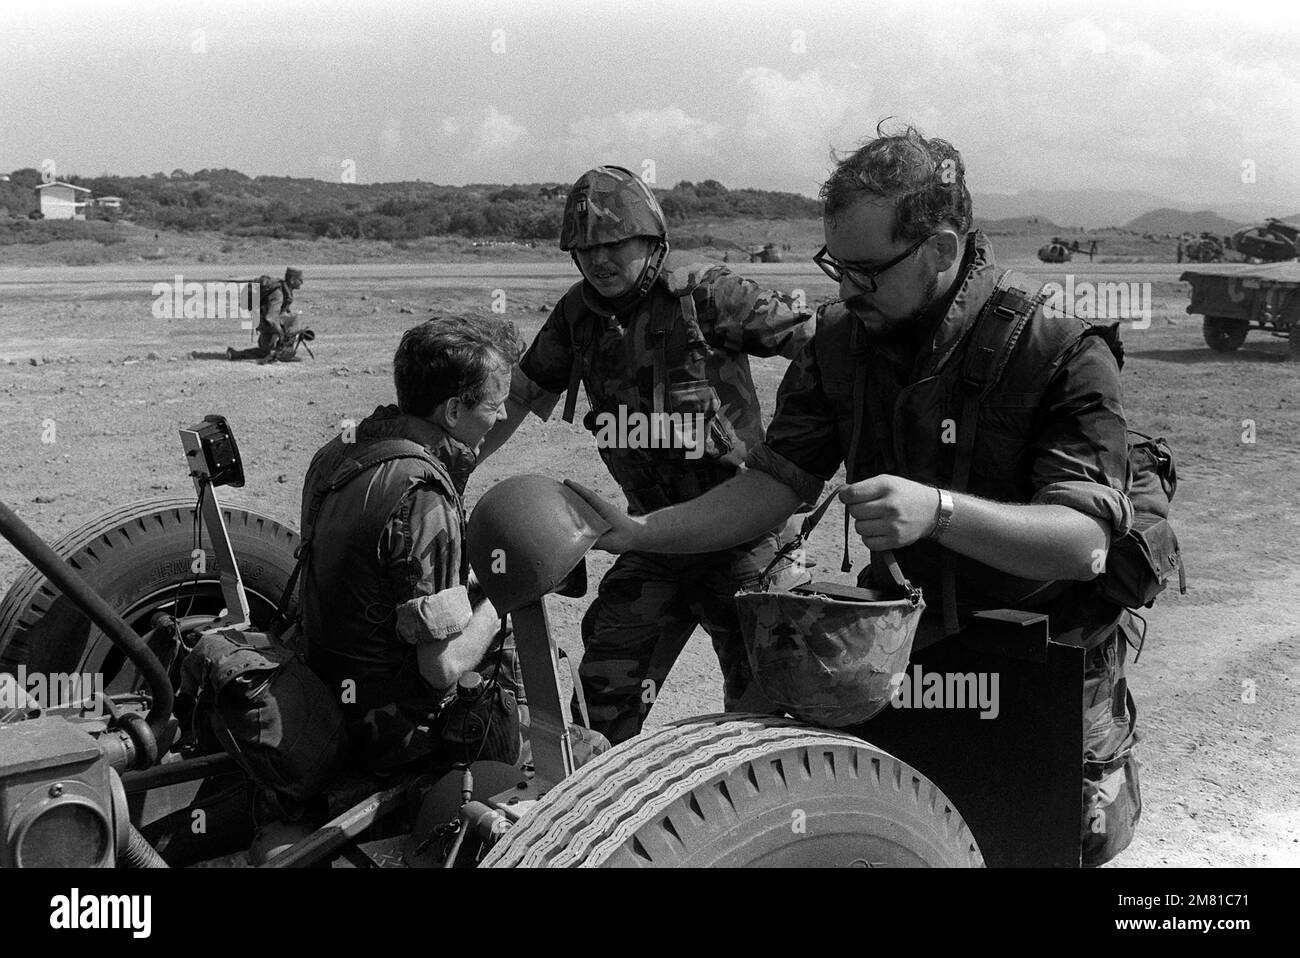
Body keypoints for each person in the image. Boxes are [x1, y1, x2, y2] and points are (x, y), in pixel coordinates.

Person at [567, 125, 1141, 866]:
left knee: (1060, 834)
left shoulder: (1056, 347)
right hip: (904, 640)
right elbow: (775, 485)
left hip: (1045, 650)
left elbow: (1085, 544)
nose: (845, 290)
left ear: (940, 249)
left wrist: (938, 512)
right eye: (838, 265)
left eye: (867, 271)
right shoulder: (842, 341)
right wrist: (642, 531)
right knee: (883, 820)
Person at [477, 165, 815, 744]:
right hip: (652, 537)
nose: (599, 262)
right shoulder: (577, 316)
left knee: (770, 703)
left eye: (613, 246)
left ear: (651, 241)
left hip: (744, 535)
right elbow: (518, 399)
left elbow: (816, 346)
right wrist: (451, 469)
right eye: (584, 251)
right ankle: (598, 808)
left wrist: (794, 453)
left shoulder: (707, 294)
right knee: (602, 685)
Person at [298, 315, 526, 774]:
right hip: (393, 729)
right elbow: (440, 669)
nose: (501, 416)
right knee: (580, 746)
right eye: (494, 405)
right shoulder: (422, 494)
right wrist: (504, 596)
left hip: (325, 688)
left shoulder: (341, 451)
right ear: (454, 412)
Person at [228, 267, 305, 361]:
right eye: (300, 280)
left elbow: (279, 313)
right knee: (295, 319)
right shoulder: (278, 294)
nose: (302, 282)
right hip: (266, 323)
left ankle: (236, 354)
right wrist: (281, 333)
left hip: (264, 323)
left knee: (267, 351)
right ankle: (283, 353)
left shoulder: (285, 290)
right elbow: (271, 317)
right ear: (292, 280)